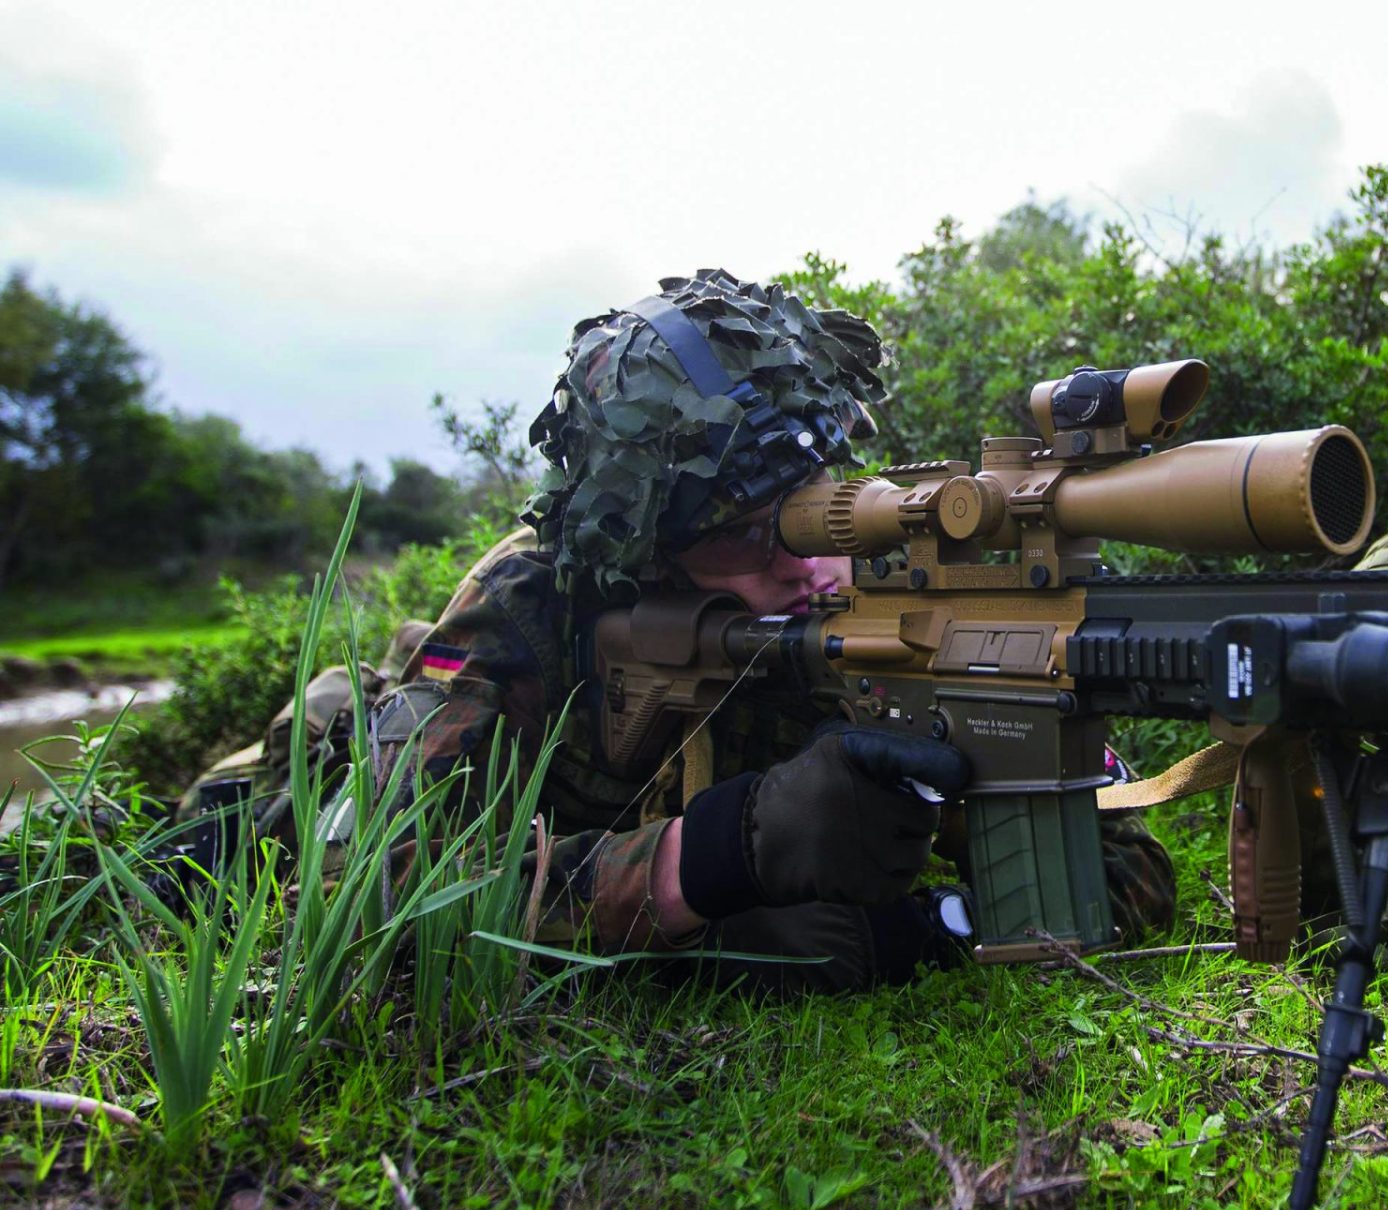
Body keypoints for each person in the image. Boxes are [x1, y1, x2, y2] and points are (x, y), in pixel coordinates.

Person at [363, 269, 1175, 990]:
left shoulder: (891, 607)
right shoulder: (532, 606)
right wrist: (709, 867)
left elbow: (1128, 871)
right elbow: (380, 892)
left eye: (815, 507)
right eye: (740, 535)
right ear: (648, 558)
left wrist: (927, 931)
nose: (804, 563)